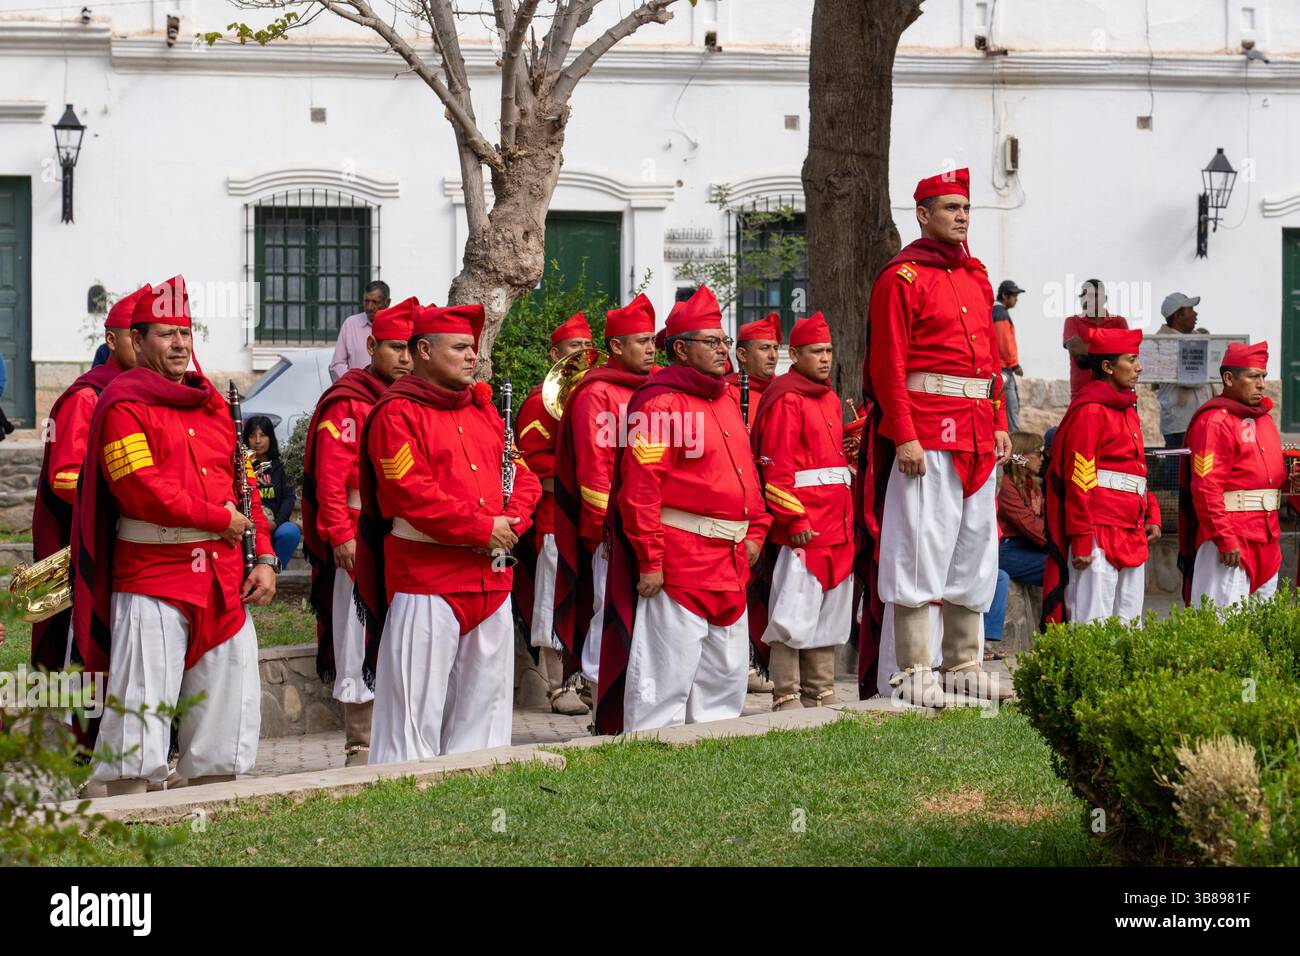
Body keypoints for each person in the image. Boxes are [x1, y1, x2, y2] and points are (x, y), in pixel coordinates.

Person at [71, 275, 277, 795]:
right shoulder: (120, 405)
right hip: (153, 577)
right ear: (136, 342)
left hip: (225, 580)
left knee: (226, 717)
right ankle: (123, 809)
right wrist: (217, 520)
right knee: (140, 713)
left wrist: (266, 558)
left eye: (185, 333)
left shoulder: (213, 406)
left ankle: (211, 809)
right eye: (166, 334)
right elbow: (142, 490)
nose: (180, 344)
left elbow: (244, 483)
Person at [355, 303, 541, 762]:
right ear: (423, 350)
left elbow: (523, 475)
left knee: (487, 714)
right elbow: (410, 493)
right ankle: (399, 802)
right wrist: (483, 527)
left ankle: (477, 798)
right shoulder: (396, 414)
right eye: (459, 347)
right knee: (410, 718)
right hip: (427, 581)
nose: (471, 357)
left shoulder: (482, 411)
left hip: (490, 582)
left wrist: (511, 519)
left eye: (473, 348)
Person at [859, 166, 1012, 707]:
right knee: (919, 548)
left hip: (976, 433)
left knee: (976, 549)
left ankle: (962, 663)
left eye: (966, 208)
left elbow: (991, 365)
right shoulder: (900, 278)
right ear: (922, 215)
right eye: (950, 208)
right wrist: (903, 435)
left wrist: (999, 423)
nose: (962, 216)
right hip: (927, 432)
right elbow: (887, 365)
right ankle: (912, 670)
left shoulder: (977, 276)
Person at [595, 285, 772, 734]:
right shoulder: (659, 404)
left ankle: (712, 766)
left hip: (730, 562)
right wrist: (651, 560)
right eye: (711, 342)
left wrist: (757, 529)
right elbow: (640, 491)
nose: (723, 350)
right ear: (679, 348)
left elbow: (748, 476)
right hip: (681, 561)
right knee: (663, 680)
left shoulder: (726, 400)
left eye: (724, 341)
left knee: (726, 678)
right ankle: (648, 764)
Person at [302, 296, 415, 765]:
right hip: (357, 537)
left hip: (402, 541)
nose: (405, 358)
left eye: (411, 349)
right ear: (371, 346)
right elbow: (330, 479)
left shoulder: (410, 399)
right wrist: (340, 536)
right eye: (394, 348)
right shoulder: (348, 403)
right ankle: (358, 741)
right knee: (357, 636)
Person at [30, 286, 146, 671]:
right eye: (136, 335)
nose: (144, 344)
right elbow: (63, 478)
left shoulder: (148, 394)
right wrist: (126, 495)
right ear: (112, 340)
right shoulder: (87, 397)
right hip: (89, 542)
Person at [552, 293, 657, 705]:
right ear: (615, 346)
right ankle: (602, 701)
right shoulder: (596, 394)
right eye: (641, 341)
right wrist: (606, 531)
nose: (651, 349)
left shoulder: (658, 386)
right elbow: (594, 474)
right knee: (608, 613)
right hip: (612, 532)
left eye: (652, 340)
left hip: (653, 530)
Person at [749, 312, 852, 710]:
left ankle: (820, 692)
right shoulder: (786, 398)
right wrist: (796, 519)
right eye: (816, 352)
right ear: (795, 354)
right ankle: (786, 693)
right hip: (806, 527)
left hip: (838, 525)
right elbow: (776, 470)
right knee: (793, 610)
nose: (825, 359)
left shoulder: (827, 396)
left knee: (832, 611)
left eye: (828, 351)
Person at [1042, 326, 1161, 626]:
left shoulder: (1127, 408)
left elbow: (1136, 470)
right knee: (1091, 625)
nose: (1139, 367)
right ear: (1107, 367)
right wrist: (1082, 539)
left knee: (1130, 627)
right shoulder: (1091, 411)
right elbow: (1079, 479)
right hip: (1098, 531)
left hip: (1131, 529)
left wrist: (1152, 513)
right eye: (1131, 359)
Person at [514, 312, 594, 716]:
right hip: (553, 520)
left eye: (586, 346)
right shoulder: (536, 403)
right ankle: (556, 685)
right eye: (573, 347)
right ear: (555, 353)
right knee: (552, 599)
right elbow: (531, 465)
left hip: (590, 520)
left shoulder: (594, 397)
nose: (582, 354)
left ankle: (587, 680)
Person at [1179, 342, 1284, 609]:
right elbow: (1205, 487)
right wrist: (1224, 537)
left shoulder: (1265, 419)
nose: (1261, 383)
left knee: (1262, 630)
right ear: (1229, 378)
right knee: (1222, 627)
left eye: (1263, 376)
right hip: (1231, 538)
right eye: (1252, 376)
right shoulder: (1214, 421)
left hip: (1267, 537)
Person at [1155, 292, 1214, 457]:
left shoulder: (1193, 337)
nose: (1195, 314)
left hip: (1198, 419)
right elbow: (1194, 378)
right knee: (1176, 471)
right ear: (1178, 315)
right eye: (1190, 310)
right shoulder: (1163, 342)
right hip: (1180, 423)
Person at [243, 415, 300, 572]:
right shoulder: (240, 465)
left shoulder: (281, 467)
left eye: (263, 435)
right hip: (247, 522)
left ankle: (274, 573)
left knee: (290, 532)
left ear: (270, 438)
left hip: (273, 523)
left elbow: (289, 498)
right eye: (252, 435)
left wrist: (275, 523)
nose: (258, 440)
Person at [998, 430, 1048, 586]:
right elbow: (1026, 522)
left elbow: (1045, 517)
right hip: (1008, 550)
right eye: (1038, 453)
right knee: (1057, 567)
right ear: (1021, 456)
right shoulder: (1005, 485)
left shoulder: (1032, 485)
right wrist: (1056, 544)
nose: (1042, 459)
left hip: (1030, 545)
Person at [1062, 279, 1128, 397]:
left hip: (1114, 393)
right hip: (1082, 394)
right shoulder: (1072, 321)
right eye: (1083, 295)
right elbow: (1074, 347)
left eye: (1093, 295)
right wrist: (1109, 347)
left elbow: (1125, 352)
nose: (1086, 298)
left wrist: (1086, 349)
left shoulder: (1119, 322)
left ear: (1105, 299)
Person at [724, 312, 781, 423]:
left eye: (776, 348)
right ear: (742, 355)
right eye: (765, 348)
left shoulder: (784, 390)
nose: (773, 356)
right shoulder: (727, 392)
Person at [329, 280, 391, 381]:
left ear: (387, 303)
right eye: (366, 301)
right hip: (356, 392)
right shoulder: (350, 324)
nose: (369, 307)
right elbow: (337, 365)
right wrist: (355, 384)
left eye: (375, 302)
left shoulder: (397, 326)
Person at [993, 280, 1025, 432]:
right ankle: (1015, 450)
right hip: (1004, 369)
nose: (1016, 299)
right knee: (1011, 412)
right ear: (1005, 295)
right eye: (1014, 295)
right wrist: (1014, 364)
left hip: (999, 368)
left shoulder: (995, 311)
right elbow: (1004, 342)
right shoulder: (1000, 313)